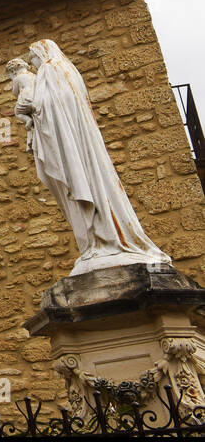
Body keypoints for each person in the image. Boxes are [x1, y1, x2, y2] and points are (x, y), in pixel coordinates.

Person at [12, 39, 170, 276]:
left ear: (40, 53)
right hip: (72, 141)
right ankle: (98, 242)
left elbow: (52, 103)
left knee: (78, 185)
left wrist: (28, 107)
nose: (32, 64)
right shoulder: (65, 69)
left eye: (32, 57)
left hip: (69, 145)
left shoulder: (51, 67)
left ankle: (101, 241)